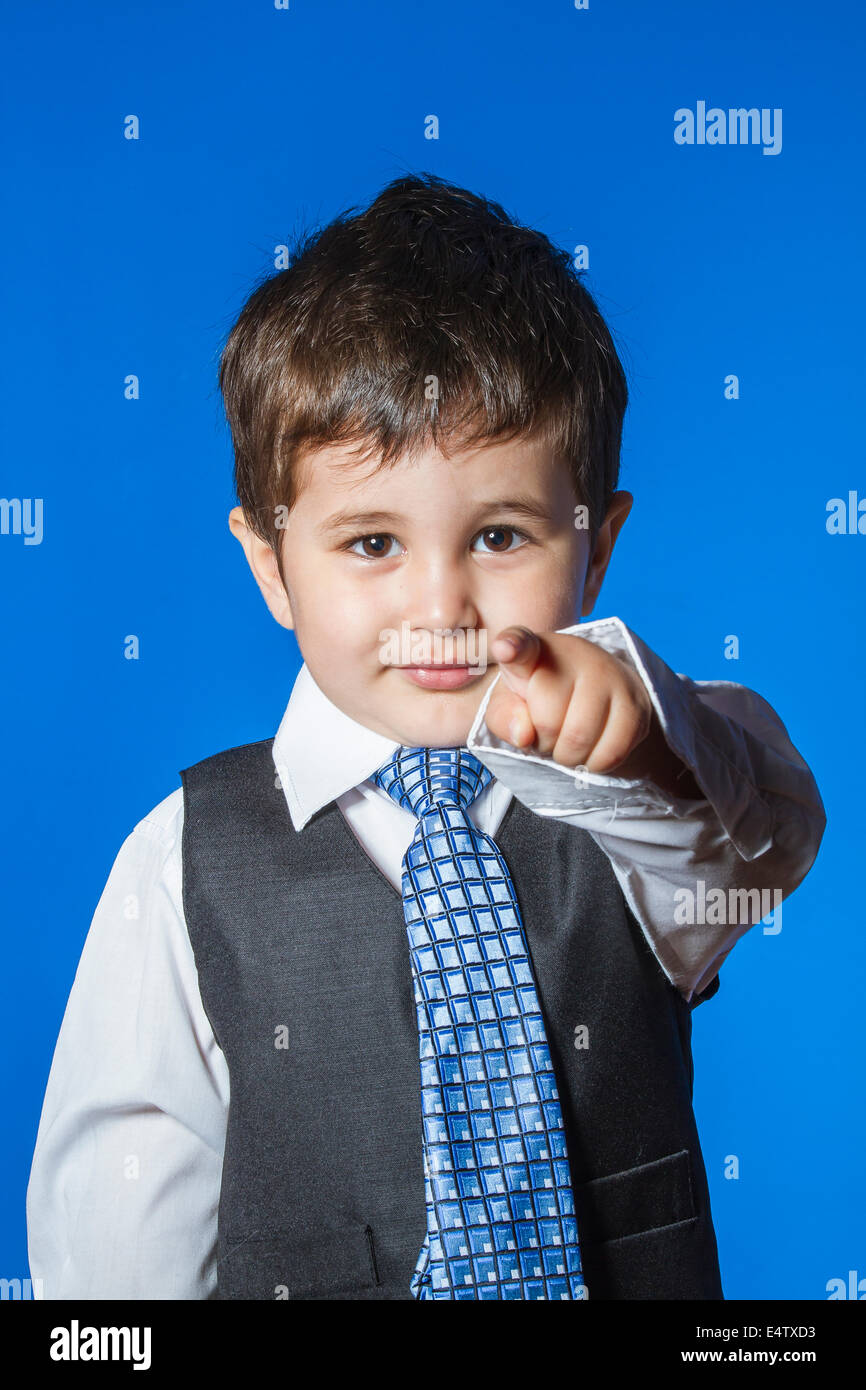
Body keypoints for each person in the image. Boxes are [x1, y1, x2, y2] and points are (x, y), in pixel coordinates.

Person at [26, 172, 826, 1300]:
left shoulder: (638, 812)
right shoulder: (179, 867)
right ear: (270, 564)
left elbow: (768, 843)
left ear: (595, 550)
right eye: (370, 544)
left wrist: (647, 742)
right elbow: (115, 1250)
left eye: (500, 534)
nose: (440, 604)